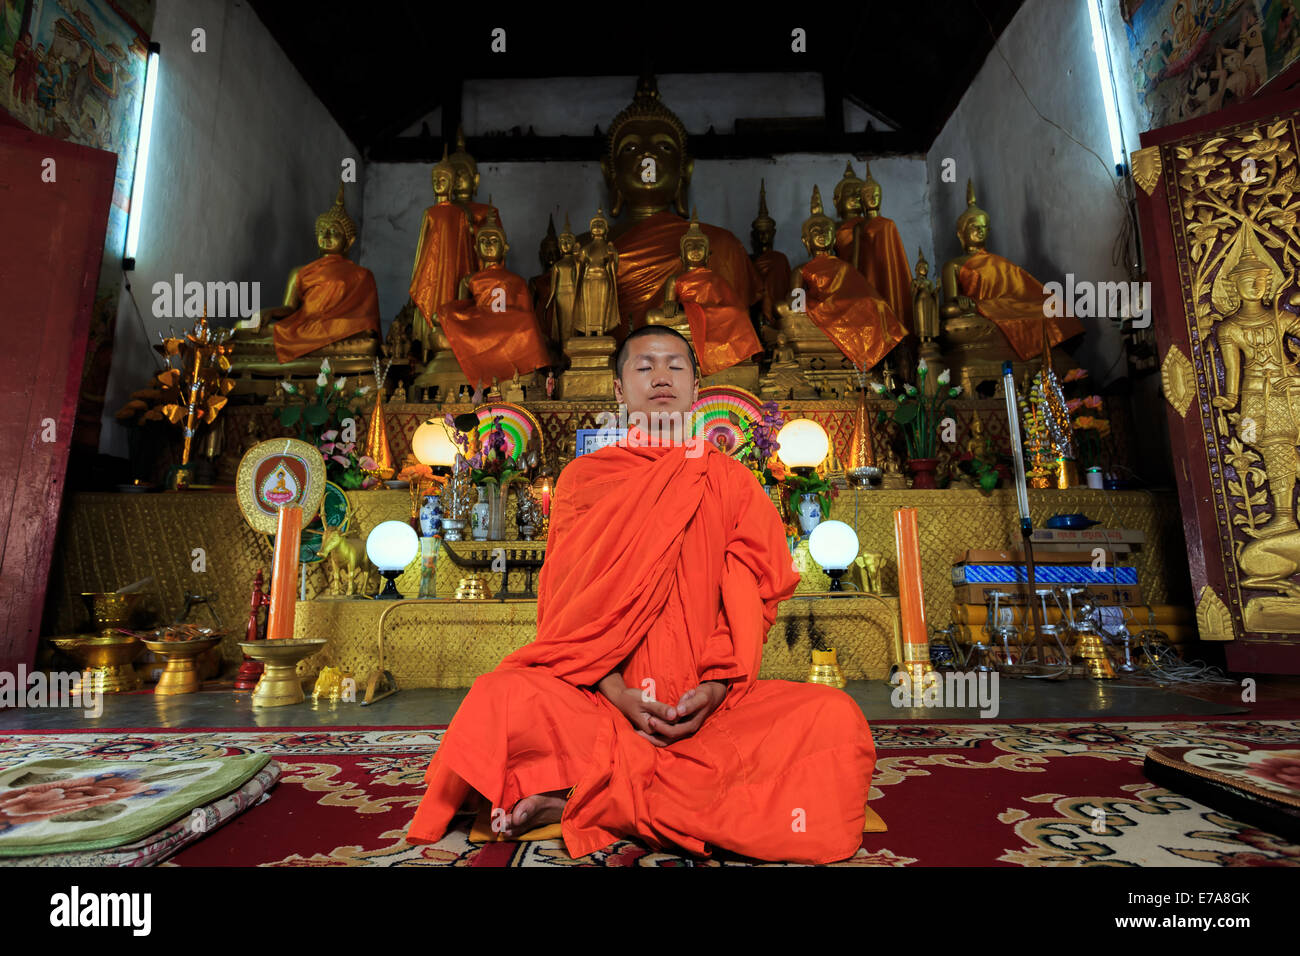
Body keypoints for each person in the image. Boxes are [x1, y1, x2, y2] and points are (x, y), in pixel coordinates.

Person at [407, 324, 877, 863]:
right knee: (500, 696)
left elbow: (751, 604)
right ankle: (626, 792)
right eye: (644, 366)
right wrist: (618, 695)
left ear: (696, 388)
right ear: (618, 389)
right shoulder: (585, 479)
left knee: (834, 718)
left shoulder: (731, 482)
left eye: (675, 366)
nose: (660, 378)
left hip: (708, 708)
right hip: (602, 701)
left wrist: (717, 689)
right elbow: (565, 612)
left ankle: (577, 799)